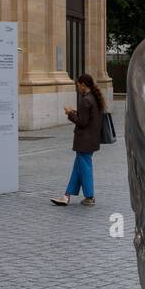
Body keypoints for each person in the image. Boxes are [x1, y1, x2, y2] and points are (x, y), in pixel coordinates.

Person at [50, 73, 105, 206]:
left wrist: (69, 113)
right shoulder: (95, 99)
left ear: (83, 85)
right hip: (92, 140)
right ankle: (66, 196)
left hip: (84, 141)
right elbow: (89, 118)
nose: (78, 88)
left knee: (85, 168)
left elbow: (82, 122)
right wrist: (76, 112)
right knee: (78, 169)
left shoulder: (86, 100)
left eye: (78, 85)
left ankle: (89, 196)